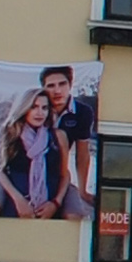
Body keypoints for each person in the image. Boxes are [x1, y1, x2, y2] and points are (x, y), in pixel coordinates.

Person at [0, 89, 68, 218]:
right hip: (17, 202)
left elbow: (65, 175)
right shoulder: (9, 132)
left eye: (44, 108)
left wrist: (55, 203)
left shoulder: (58, 136)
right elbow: (1, 171)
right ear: (24, 108)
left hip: (48, 206)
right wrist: (19, 200)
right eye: (34, 107)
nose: (40, 113)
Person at [39, 64, 98, 218]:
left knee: (75, 215)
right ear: (43, 88)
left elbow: (82, 154)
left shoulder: (82, 112)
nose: (57, 91)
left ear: (70, 85)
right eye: (51, 86)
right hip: (32, 170)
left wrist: (83, 190)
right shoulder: (37, 109)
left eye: (62, 84)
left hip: (59, 173)